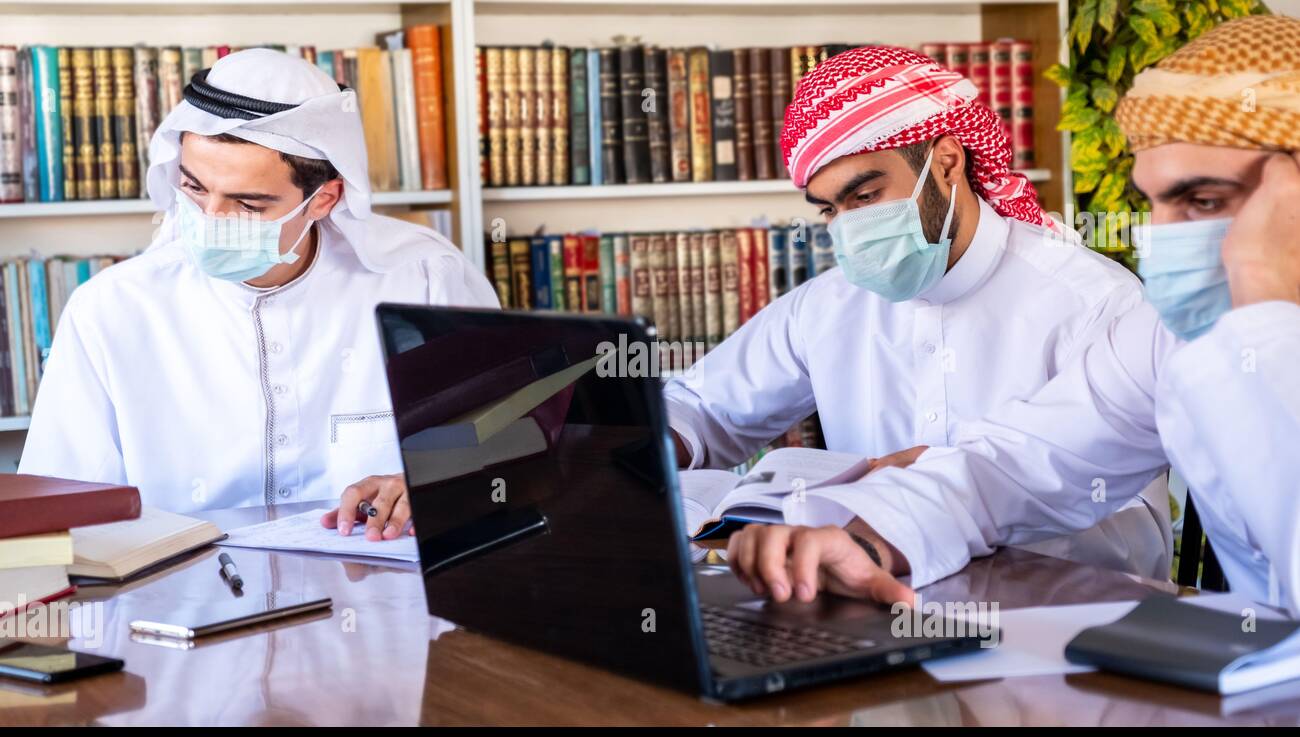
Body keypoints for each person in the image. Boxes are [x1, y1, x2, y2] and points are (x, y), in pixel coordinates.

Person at [330, 46, 1174, 568]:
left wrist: (929, 508)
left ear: (947, 161)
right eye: (829, 208)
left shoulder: (1092, 303)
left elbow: (1134, 531)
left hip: (1049, 628)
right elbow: (703, 408)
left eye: (866, 192)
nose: (849, 227)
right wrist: (546, 458)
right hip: (852, 597)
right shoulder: (831, 305)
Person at [726, 15, 1300, 614]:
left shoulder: (1143, 302)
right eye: (1152, 202)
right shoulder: (1168, 333)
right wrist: (866, 544)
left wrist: (1267, 307)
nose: (1160, 237)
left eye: (1204, 201)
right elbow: (1011, 467)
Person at [18, 49, 498, 514]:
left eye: (247, 205)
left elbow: (509, 451)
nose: (211, 218)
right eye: (194, 188)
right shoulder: (111, 309)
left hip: (377, 587)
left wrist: (433, 487)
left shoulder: (425, 281)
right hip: (187, 594)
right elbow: (60, 511)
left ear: (325, 199)